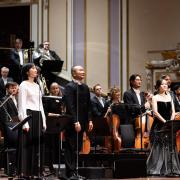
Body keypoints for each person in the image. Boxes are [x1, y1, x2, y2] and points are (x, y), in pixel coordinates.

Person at [17, 63, 46, 178]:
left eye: (35, 68)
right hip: (28, 116)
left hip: (38, 115)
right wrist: (24, 122)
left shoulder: (37, 85)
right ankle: (25, 172)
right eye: (32, 68)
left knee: (37, 145)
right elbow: (21, 104)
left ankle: (36, 171)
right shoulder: (23, 84)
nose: (35, 70)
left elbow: (40, 105)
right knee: (27, 145)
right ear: (27, 72)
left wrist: (43, 121)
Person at [64, 65, 93, 179]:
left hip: (83, 121)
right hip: (73, 121)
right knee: (70, 147)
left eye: (83, 70)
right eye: (80, 70)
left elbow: (88, 105)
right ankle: (70, 172)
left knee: (78, 147)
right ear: (73, 73)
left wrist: (90, 120)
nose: (83, 72)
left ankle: (75, 171)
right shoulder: (69, 86)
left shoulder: (85, 87)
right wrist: (75, 121)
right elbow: (70, 105)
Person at [147, 79, 180, 176]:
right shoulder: (155, 97)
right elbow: (156, 113)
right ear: (158, 86)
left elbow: (173, 111)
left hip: (170, 124)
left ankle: (171, 168)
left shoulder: (170, 96)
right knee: (160, 146)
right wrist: (165, 122)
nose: (165, 86)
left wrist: (171, 120)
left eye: (166, 84)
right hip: (159, 125)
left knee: (170, 146)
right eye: (163, 84)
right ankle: (159, 169)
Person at [43, 82, 64, 173]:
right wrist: (57, 115)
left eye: (57, 88)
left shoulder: (61, 99)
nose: (56, 90)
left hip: (58, 126)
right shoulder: (48, 99)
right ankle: (49, 165)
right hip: (49, 125)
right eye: (54, 88)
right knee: (49, 147)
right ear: (50, 89)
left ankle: (55, 166)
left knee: (56, 147)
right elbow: (45, 113)